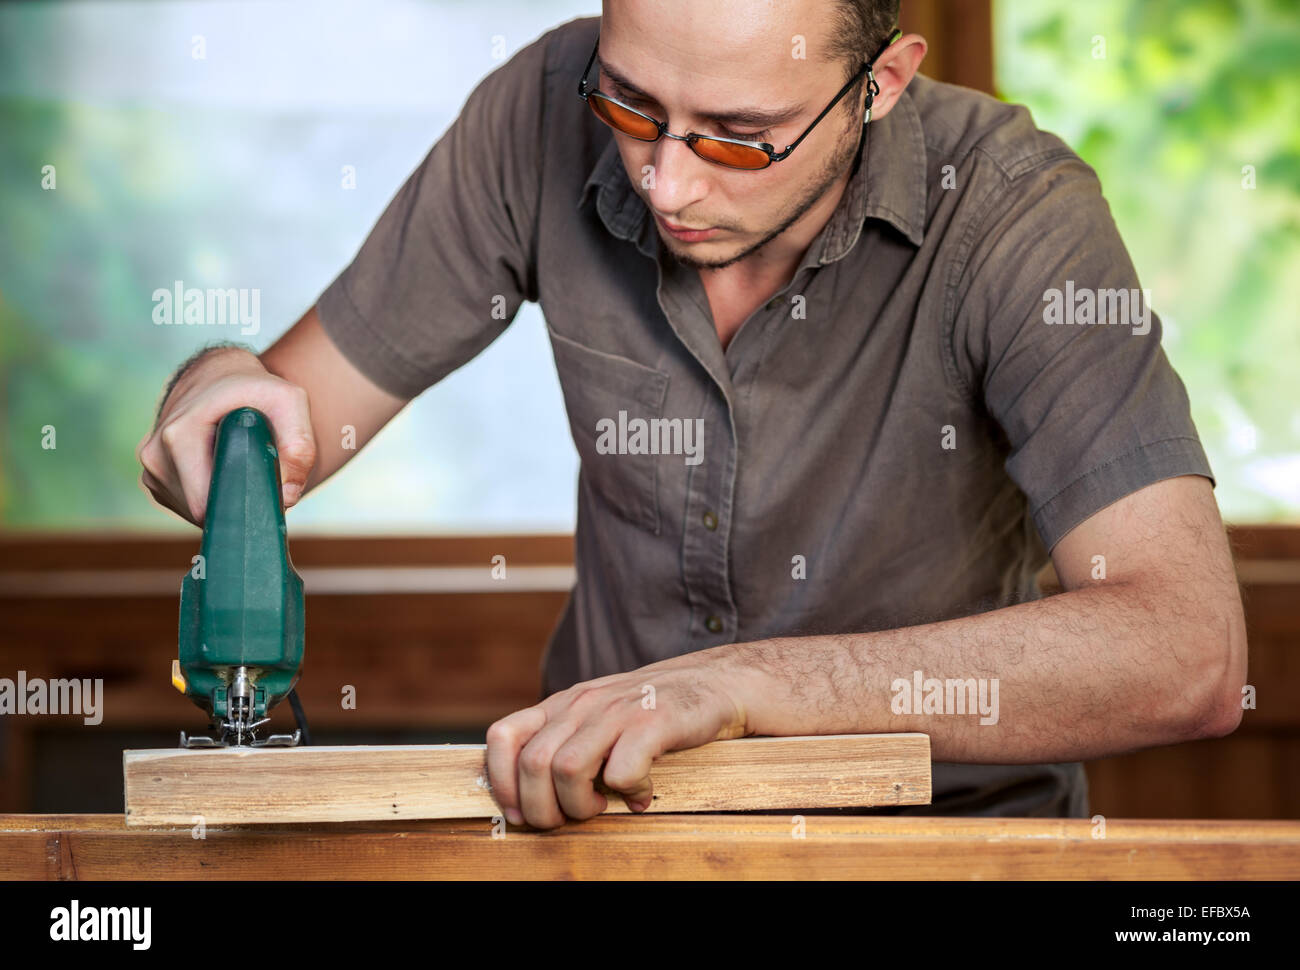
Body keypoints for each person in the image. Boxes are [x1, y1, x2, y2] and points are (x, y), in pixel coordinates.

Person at [137, 0, 1247, 829]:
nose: (665, 183)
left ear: (882, 83)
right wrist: (221, 388)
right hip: (604, 837)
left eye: (737, 135)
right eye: (629, 105)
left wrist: (744, 686)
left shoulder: (1017, 215)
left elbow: (1184, 650)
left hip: (940, 848)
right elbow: (284, 416)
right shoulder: (539, 107)